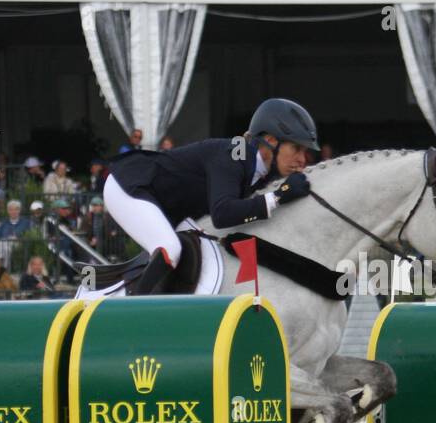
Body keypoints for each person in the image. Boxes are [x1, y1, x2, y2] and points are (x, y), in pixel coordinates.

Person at [104, 97, 318, 293]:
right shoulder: (233, 155)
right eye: (296, 148)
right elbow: (222, 213)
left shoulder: (261, 170)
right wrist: (278, 196)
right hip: (130, 184)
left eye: (305, 152)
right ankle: (134, 316)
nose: (302, 159)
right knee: (170, 248)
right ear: (271, 140)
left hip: (166, 206)